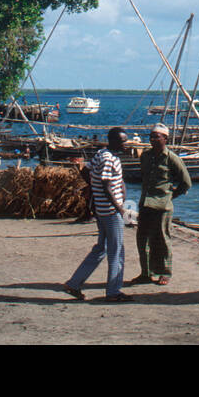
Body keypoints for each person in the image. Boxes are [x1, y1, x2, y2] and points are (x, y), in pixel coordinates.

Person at [63, 128, 133, 302]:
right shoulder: (109, 159)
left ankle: (74, 283)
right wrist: (120, 209)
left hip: (101, 210)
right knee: (117, 251)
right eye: (124, 141)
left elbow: (85, 171)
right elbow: (107, 186)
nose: (127, 144)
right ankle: (113, 292)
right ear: (115, 142)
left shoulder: (101, 154)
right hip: (110, 212)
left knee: (101, 248)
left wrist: (93, 189)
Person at [130, 125, 191, 286]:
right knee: (143, 240)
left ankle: (165, 272)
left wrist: (170, 196)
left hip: (162, 206)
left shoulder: (171, 158)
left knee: (163, 240)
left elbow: (186, 182)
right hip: (145, 204)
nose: (152, 139)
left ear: (165, 139)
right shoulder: (145, 156)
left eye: (157, 136)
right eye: (151, 136)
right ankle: (146, 273)